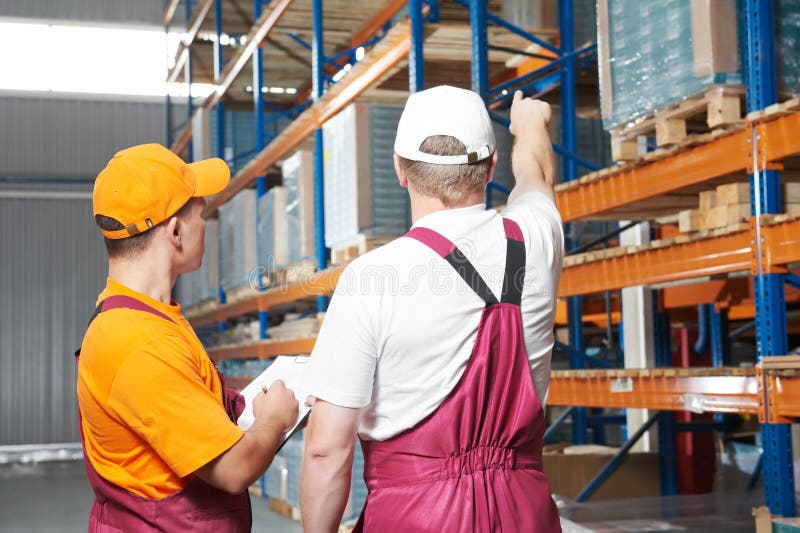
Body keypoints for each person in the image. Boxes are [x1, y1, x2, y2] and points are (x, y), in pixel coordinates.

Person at [299, 86, 563, 532]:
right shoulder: (536, 240)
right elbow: (535, 176)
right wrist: (529, 125)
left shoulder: (370, 279)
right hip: (525, 514)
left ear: (400, 170)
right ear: (491, 166)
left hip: (415, 517)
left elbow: (327, 448)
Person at [75, 144, 299, 532]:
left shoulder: (152, 318)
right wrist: (274, 420)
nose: (205, 224)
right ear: (175, 231)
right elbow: (233, 468)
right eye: (202, 214)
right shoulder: (139, 342)